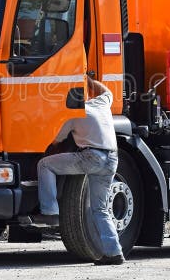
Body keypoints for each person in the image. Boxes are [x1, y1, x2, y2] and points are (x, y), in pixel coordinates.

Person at [33, 76, 124, 265]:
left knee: (45, 165)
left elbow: (56, 142)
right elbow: (107, 91)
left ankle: (50, 212)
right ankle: (114, 253)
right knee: (100, 209)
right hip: (112, 159)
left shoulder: (72, 116)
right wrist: (89, 80)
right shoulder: (100, 103)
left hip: (91, 158)